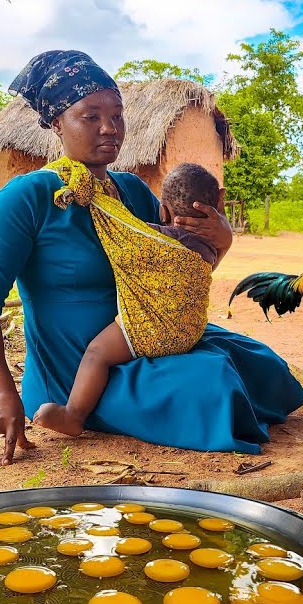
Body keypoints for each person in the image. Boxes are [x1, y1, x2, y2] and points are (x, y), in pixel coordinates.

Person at [0, 50, 303, 464]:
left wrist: (221, 242)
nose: (110, 128)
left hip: (145, 337)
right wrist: (0, 393)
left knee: (262, 365)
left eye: (117, 116)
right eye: (90, 117)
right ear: (56, 123)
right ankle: (79, 412)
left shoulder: (134, 192)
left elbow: (176, 274)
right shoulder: (26, 198)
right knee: (214, 383)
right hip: (78, 368)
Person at [32, 163, 222, 437]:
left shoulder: (146, 238)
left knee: (97, 353)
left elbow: (116, 225)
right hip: (190, 330)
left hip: (154, 330)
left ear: (164, 211)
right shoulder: (210, 246)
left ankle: (73, 415)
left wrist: (95, 196)